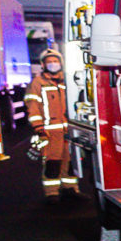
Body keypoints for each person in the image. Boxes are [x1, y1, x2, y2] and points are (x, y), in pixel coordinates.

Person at [26, 49, 76, 201]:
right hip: (49, 131)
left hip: (68, 130)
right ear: (43, 65)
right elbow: (33, 106)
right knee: (52, 162)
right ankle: (52, 193)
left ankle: (71, 189)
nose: (53, 64)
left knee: (71, 161)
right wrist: (38, 128)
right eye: (49, 62)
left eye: (55, 61)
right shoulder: (37, 83)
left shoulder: (68, 81)